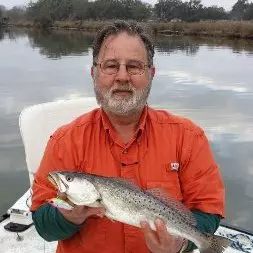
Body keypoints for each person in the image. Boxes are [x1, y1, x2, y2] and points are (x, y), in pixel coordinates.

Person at [31, 20, 225, 253]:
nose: (122, 76)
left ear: (151, 73)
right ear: (94, 73)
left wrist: (182, 243)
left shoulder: (189, 138)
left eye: (134, 66)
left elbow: (208, 210)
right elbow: (44, 226)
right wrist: (68, 217)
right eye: (111, 65)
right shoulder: (65, 141)